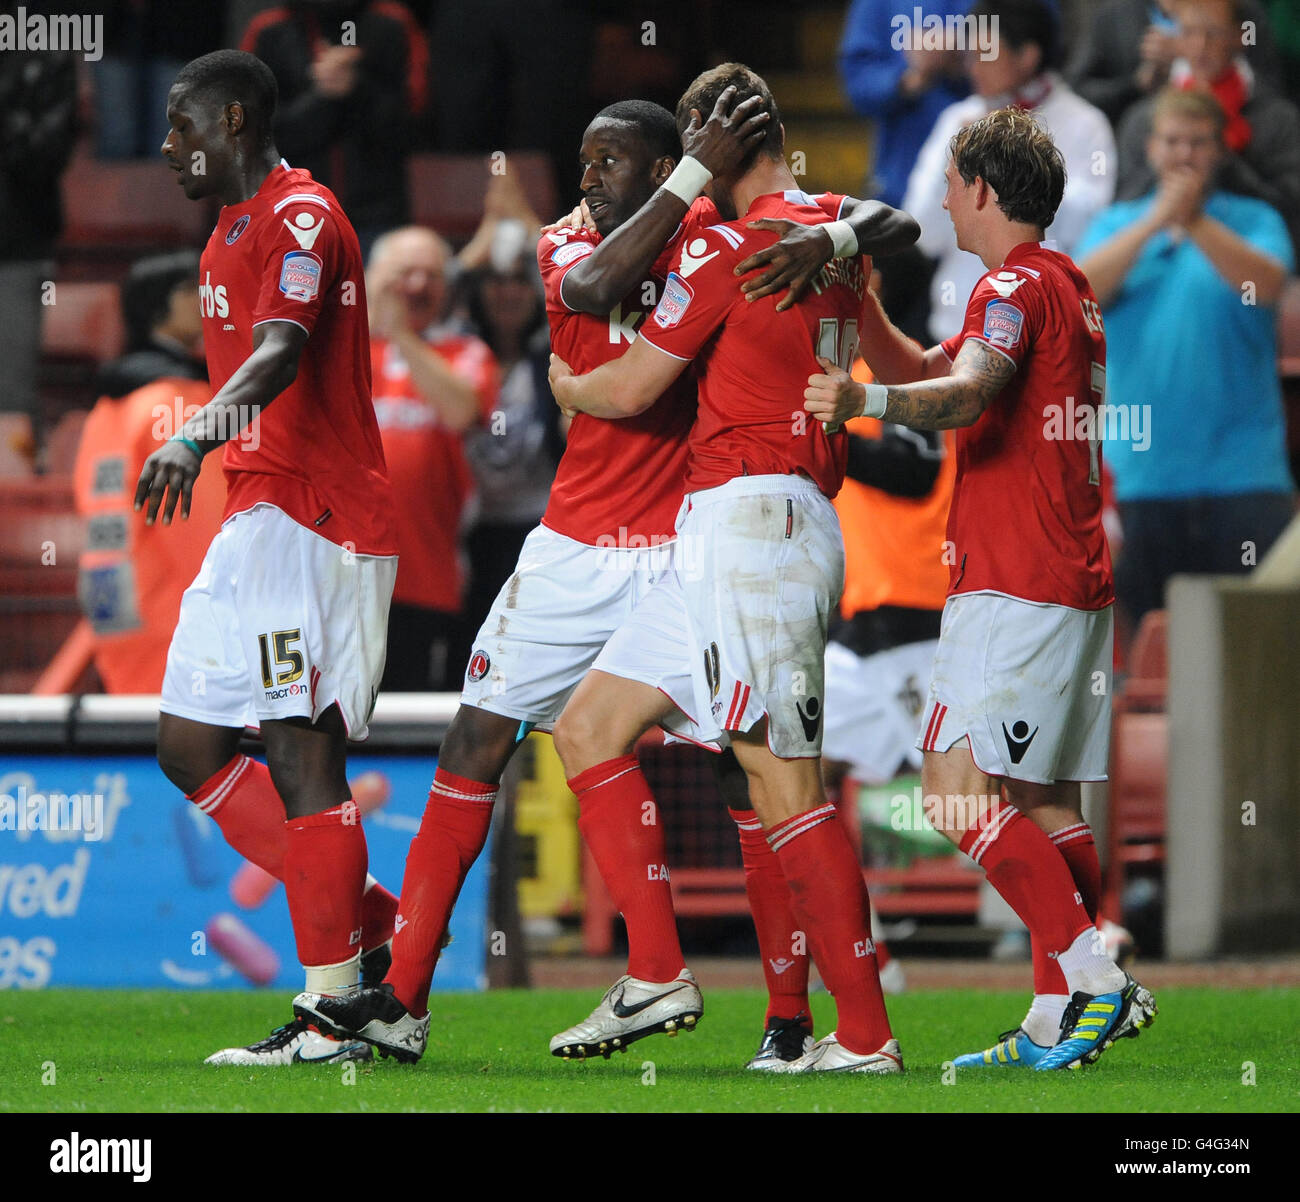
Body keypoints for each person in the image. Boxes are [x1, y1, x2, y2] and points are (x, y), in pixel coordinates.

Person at [297, 84, 917, 1068]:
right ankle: (407, 994)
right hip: (582, 545)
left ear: (675, 160)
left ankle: (796, 1021)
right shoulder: (571, 241)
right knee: (484, 736)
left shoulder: (724, 232)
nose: (587, 181)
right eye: (583, 162)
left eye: (607, 162)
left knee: (751, 777)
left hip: (698, 542)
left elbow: (872, 219)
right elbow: (595, 291)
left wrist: (828, 237)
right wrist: (710, 194)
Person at [542, 63, 921, 1076]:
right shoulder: (830, 227)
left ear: (718, 137)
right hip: (726, 532)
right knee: (588, 726)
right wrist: (841, 236)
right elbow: (905, 226)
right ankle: (663, 970)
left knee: (783, 781)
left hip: (757, 524)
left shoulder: (724, 246)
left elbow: (628, 384)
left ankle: (867, 1034)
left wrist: (566, 382)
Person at [803, 106, 1157, 1071]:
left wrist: (860, 400)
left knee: (955, 796)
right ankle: (1054, 1014)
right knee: (1041, 801)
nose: (946, 197)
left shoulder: (1009, 284)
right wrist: (866, 304)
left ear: (985, 191)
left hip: (1016, 581)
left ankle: (1097, 977)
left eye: (956, 181)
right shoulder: (1064, 284)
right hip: (1067, 577)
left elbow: (964, 392)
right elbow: (933, 369)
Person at [136, 49, 400, 1066]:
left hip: (314, 517)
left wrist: (192, 435)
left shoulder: (301, 215)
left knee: (300, 746)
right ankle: (365, 914)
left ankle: (333, 1008)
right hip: (256, 515)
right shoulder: (226, 234)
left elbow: (283, 349)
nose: (169, 150)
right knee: (188, 743)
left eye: (182, 127)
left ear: (235, 118)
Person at [1076, 87, 1295, 631]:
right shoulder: (1115, 226)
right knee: (1154, 659)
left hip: (1246, 479)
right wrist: (1156, 222)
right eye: (1172, 141)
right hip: (1142, 480)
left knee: (1255, 657)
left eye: (1198, 143)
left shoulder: (1255, 220)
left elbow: (1266, 283)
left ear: (1219, 151)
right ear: (1150, 149)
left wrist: (1194, 220)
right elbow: (1079, 298)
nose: (1184, 154)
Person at [904, 0, 1115, 343]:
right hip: (955, 329)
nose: (973, 67)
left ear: (1028, 55)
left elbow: (1088, 231)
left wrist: (1007, 170)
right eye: (969, 54)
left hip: (1045, 332)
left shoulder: (1085, 123)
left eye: (984, 53)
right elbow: (923, 232)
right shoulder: (958, 121)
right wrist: (962, 166)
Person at [366, 226, 499, 692]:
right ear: (371, 278)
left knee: (410, 718)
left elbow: (461, 411)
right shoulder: (340, 353)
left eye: (432, 275)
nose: (418, 286)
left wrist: (399, 332)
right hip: (341, 583)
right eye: (405, 273)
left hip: (427, 581)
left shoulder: (466, 352)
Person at [240, 0, 429, 253]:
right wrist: (321, 96)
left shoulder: (392, 23)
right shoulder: (269, 30)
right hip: (289, 215)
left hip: (378, 216)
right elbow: (250, 134)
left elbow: (417, 125)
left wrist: (357, 88)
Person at [1115, 0, 1300, 258]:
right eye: (1189, 32)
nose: (1201, 46)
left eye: (1213, 33)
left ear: (1240, 37)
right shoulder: (1143, 119)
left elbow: (1290, 211)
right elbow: (1123, 207)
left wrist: (1220, 164)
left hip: (1250, 261)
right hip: (1155, 262)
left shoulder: (1278, 120)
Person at [97, 252, 206, 399]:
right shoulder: (168, 385)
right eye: (189, 290)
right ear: (154, 302)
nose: (204, 298)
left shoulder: (193, 369)